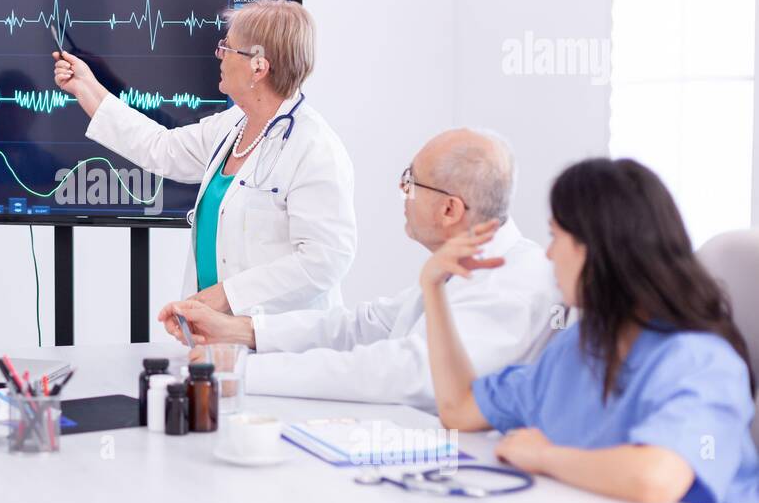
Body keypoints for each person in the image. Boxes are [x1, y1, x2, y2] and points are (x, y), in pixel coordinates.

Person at [419, 157, 759, 503]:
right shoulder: (578, 346)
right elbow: (459, 409)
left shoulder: (699, 361)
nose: (547, 254)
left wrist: (544, 456)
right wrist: (434, 288)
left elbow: (656, 478)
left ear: (597, 249)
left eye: (556, 236)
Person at [159, 129, 558, 409]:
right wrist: (241, 332)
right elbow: (362, 325)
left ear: (450, 209)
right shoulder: (467, 266)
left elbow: (401, 372)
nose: (403, 192)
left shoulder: (510, 287)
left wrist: (243, 369)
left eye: (410, 182)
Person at [52, 0, 356, 315]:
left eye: (227, 47)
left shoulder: (314, 148)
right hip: (217, 328)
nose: (218, 54)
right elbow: (161, 147)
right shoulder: (233, 125)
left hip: (279, 336)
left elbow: (325, 260)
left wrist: (230, 295)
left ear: (258, 66)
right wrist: (86, 86)